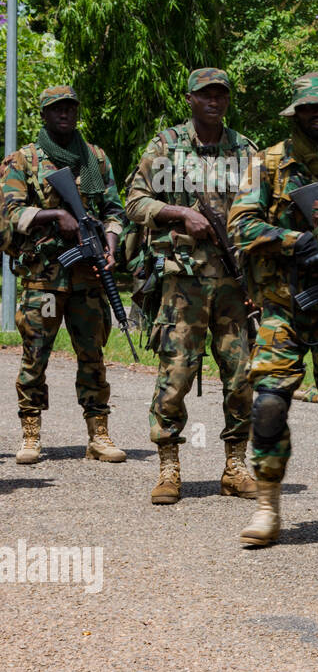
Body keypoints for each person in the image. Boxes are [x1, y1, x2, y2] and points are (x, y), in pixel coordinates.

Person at [227, 71, 318, 547]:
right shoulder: (267, 164)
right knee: (268, 403)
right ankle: (268, 508)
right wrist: (294, 241)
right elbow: (239, 227)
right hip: (281, 308)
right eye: (309, 109)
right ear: (296, 114)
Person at [125, 67, 258, 503]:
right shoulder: (166, 147)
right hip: (183, 283)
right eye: (205, 95)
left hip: (235, 284)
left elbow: (264, 209)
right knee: (175, 374)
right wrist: (180, 214)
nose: (214, 102)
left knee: (241, 377)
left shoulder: (245, 149)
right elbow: (135, 202)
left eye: (221, 95)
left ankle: (235, 465)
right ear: (190, 99)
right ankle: (168, 467)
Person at [1, 85, 126, 464]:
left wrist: (110, 242)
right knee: (36, 355)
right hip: (46, 281)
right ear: (44, 115)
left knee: (93, 354)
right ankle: (31, 432)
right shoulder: (23, 161)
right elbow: (8, 215)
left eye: (71, 108)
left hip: (87, 277)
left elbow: (114, 209)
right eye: (57, 109)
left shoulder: (96, 158)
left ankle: (98, 432)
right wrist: (55, 216)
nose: (65, 114)